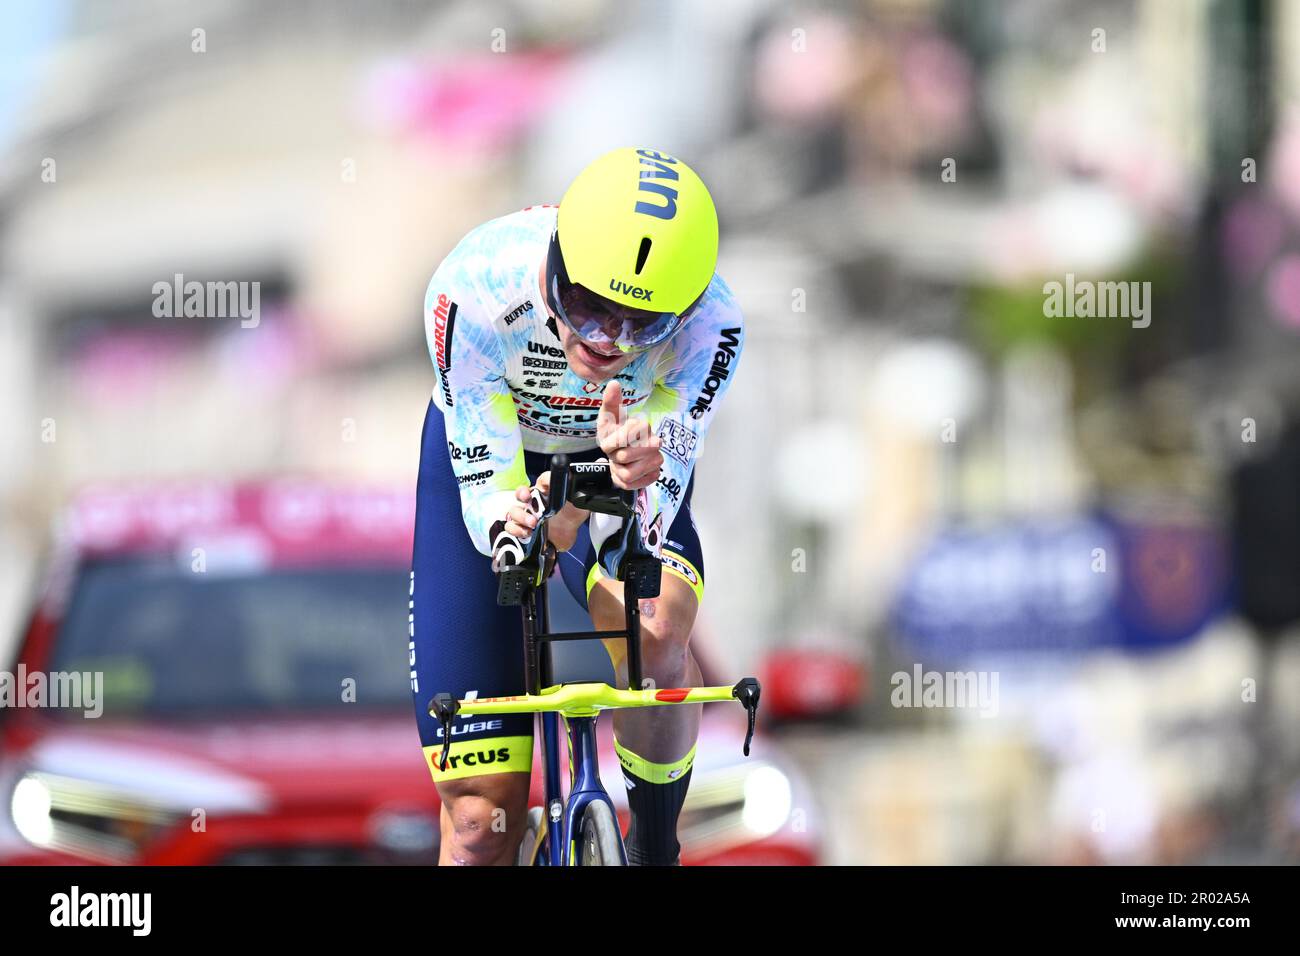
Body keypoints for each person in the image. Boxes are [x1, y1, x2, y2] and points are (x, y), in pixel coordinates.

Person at [410, 147, 744, 865]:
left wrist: (638, 468)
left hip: (622, 464)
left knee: (656, 630)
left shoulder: (715, 326)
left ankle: (654, 841)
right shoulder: (472, 287)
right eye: (589, 306)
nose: (606, 341)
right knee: (476, 825)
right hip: (502, 457)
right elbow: (488, 497)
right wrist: (522, 523)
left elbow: (666, 475)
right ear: (557, 260)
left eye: (642, 324)